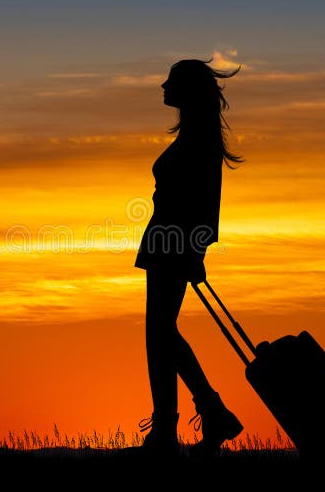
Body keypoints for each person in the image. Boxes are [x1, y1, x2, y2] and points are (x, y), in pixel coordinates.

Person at [134, 58, 244, 456]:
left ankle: (176, 428)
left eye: (171, 82)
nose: (163, 87)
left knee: (159, 333)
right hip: (166, 243)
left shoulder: (199, 140)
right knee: (160, 333)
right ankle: (201, 417)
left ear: (187, 91)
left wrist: (196, 248)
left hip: (173, 246)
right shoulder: (194, 136)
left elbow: (205, 200)